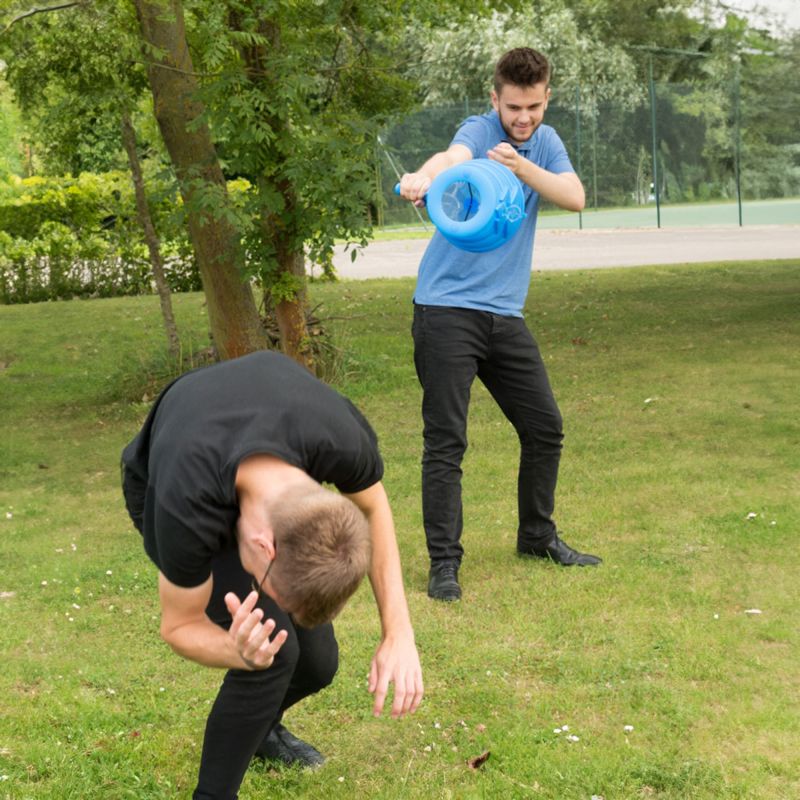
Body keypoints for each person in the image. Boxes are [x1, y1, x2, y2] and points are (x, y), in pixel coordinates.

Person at [121, 350, 423, 800]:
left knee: (318, 664)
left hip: (243, 462)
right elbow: (178, 625)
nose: (273, 603)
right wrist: (235, 650)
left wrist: (398, 632)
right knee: (273, 655)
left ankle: (261, 731)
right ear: (266, 547)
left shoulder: (338, 439)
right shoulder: (183, 507)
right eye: (275, 592)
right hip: (170, 476)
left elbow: (373, 505)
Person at [398, 47, 602, 602]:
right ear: (495, 98)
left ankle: (537, 537)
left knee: (545, 428)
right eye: (514, 107)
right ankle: (444, 564)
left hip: (504, 315)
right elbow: (451, 155)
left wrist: (523, 164)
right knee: (447, 441)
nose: (523, 118)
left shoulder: (545, 142)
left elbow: (576, 198)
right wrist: (423, 174)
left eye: (534, 106)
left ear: (546, 97)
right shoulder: (480, 128)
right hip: (445, 310)